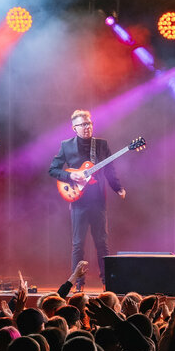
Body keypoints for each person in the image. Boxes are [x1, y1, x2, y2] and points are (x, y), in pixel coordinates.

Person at [48, 109, 126, 290]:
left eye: (89, 123)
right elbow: (53, 169)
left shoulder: (101, 145)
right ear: (74, 128)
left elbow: (110, 170)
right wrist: (71, 177)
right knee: (78, 245)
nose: (87, 127)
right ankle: (78, 283)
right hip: (78, 202)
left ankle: (108, 282)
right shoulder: (66, 145)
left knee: (102, 243)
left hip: (98, 201)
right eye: (83, 124)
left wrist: (118, 188)